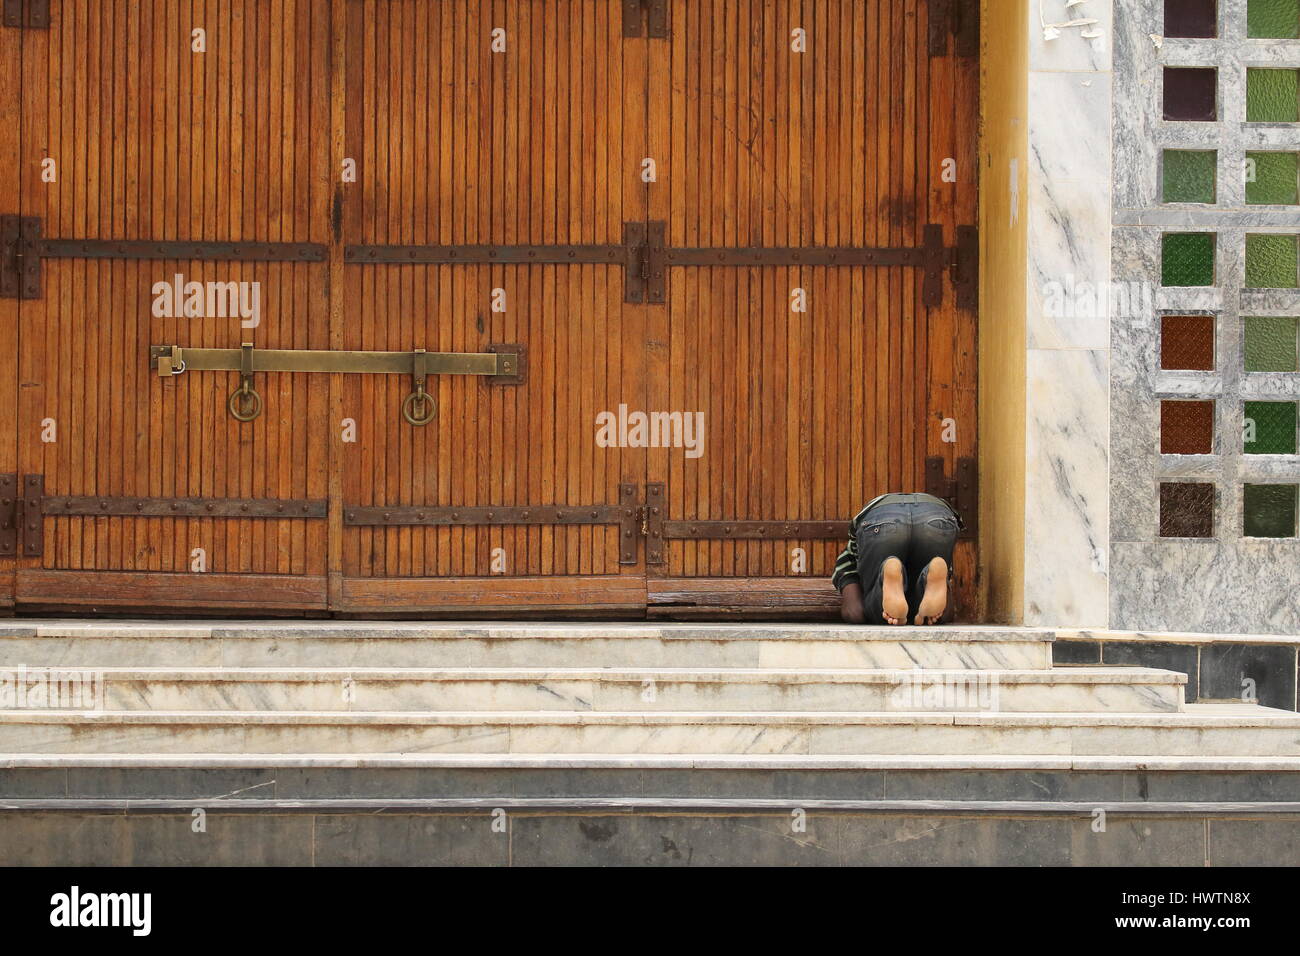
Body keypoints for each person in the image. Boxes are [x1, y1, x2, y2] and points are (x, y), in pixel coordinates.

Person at [832, 492, 962, 626]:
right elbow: (949, 610)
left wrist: (883, 615)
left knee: (873, 606)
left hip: (881, 515)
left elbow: (854, 612)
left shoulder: (850, 555)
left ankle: (886, 574)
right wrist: (938, 616)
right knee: (938, 607)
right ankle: (930, 573)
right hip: (936, 513)